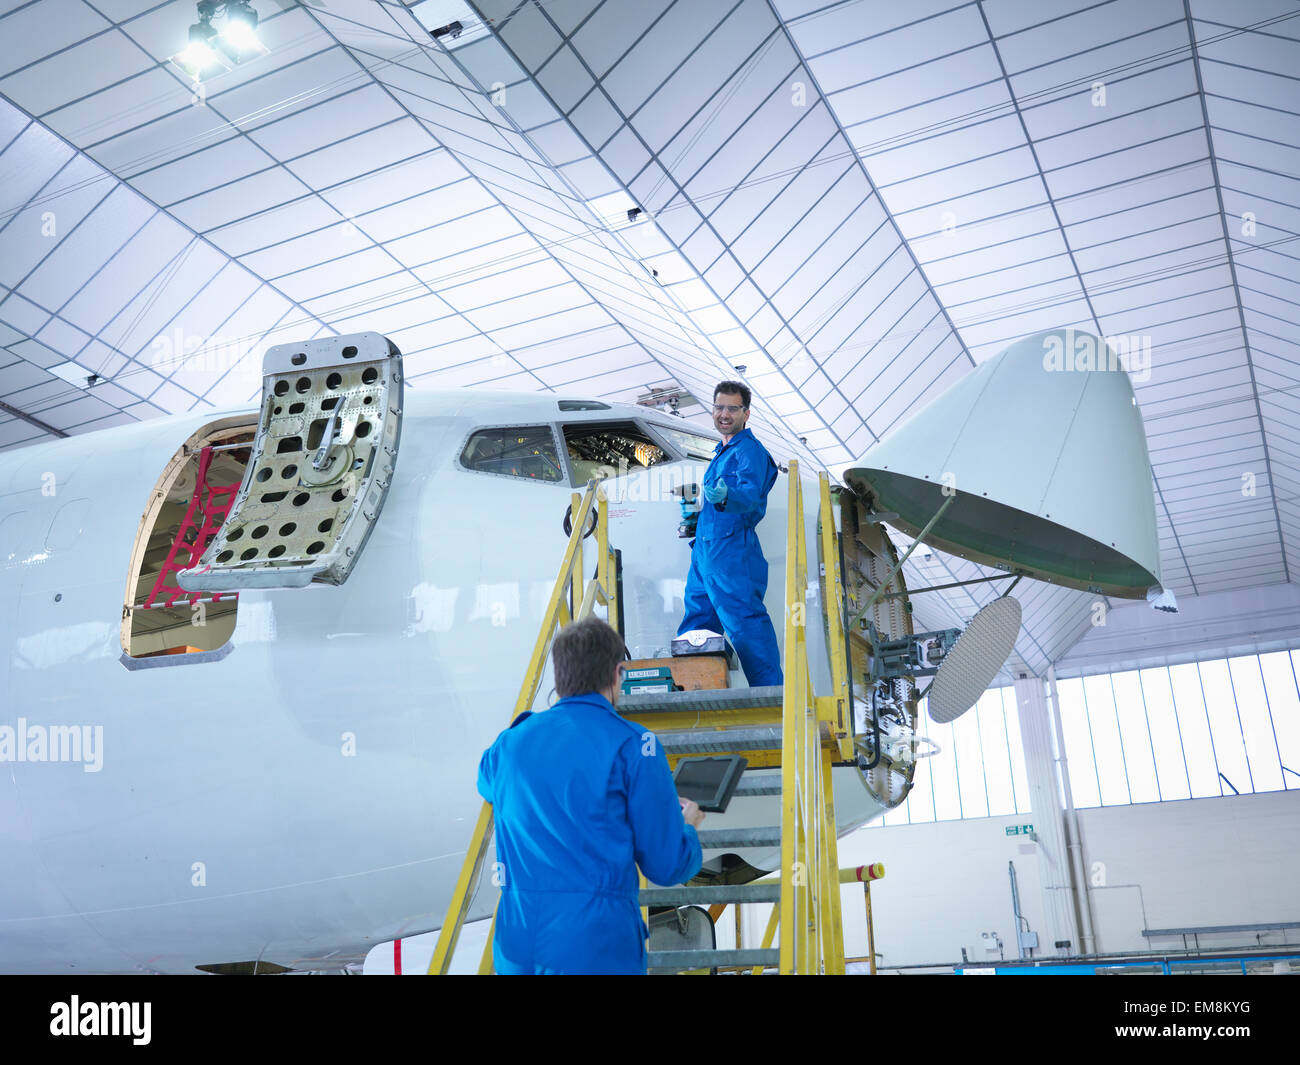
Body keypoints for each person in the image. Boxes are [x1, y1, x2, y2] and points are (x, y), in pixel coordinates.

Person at [477, 616, 705, 975]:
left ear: (559, 676)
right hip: (596, 948)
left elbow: (485, 779)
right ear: (617, 674)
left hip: (518, 947)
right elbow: (666, 865)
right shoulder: (634, 745)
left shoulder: (510, 745)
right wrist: (687, 827)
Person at [677, 381, 783, 687]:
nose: (724, 414)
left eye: (732, 408)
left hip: (731, 550)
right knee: (697, 631)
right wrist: (697, 518)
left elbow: (749, 494)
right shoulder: (721, 452)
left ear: (746, 414)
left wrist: (725, 496)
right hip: (706, 551)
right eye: (719, 407)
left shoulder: (748, 449)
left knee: (745, 625)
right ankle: (699, 695)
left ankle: (772, 700)